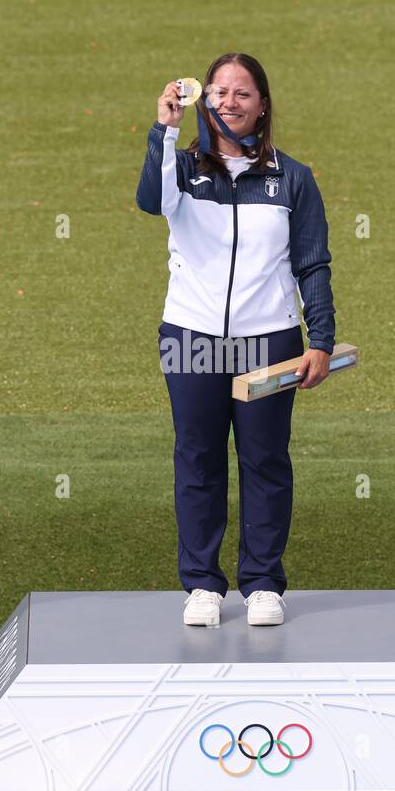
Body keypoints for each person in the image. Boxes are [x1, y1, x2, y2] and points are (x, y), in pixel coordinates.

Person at [137, 53, 336, 628]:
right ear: (204, 100)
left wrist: (320, 338)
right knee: (197, 458)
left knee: (265, 459)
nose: (229, 102)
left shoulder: (292, 177)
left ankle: (262, 583)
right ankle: (201, 583)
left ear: (263, 105)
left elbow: (313, 263)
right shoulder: (181, 169)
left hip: (268, 341)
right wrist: (165, 128)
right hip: (189, 338)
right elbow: (150, 199)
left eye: (242, 93)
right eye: (219, 92)